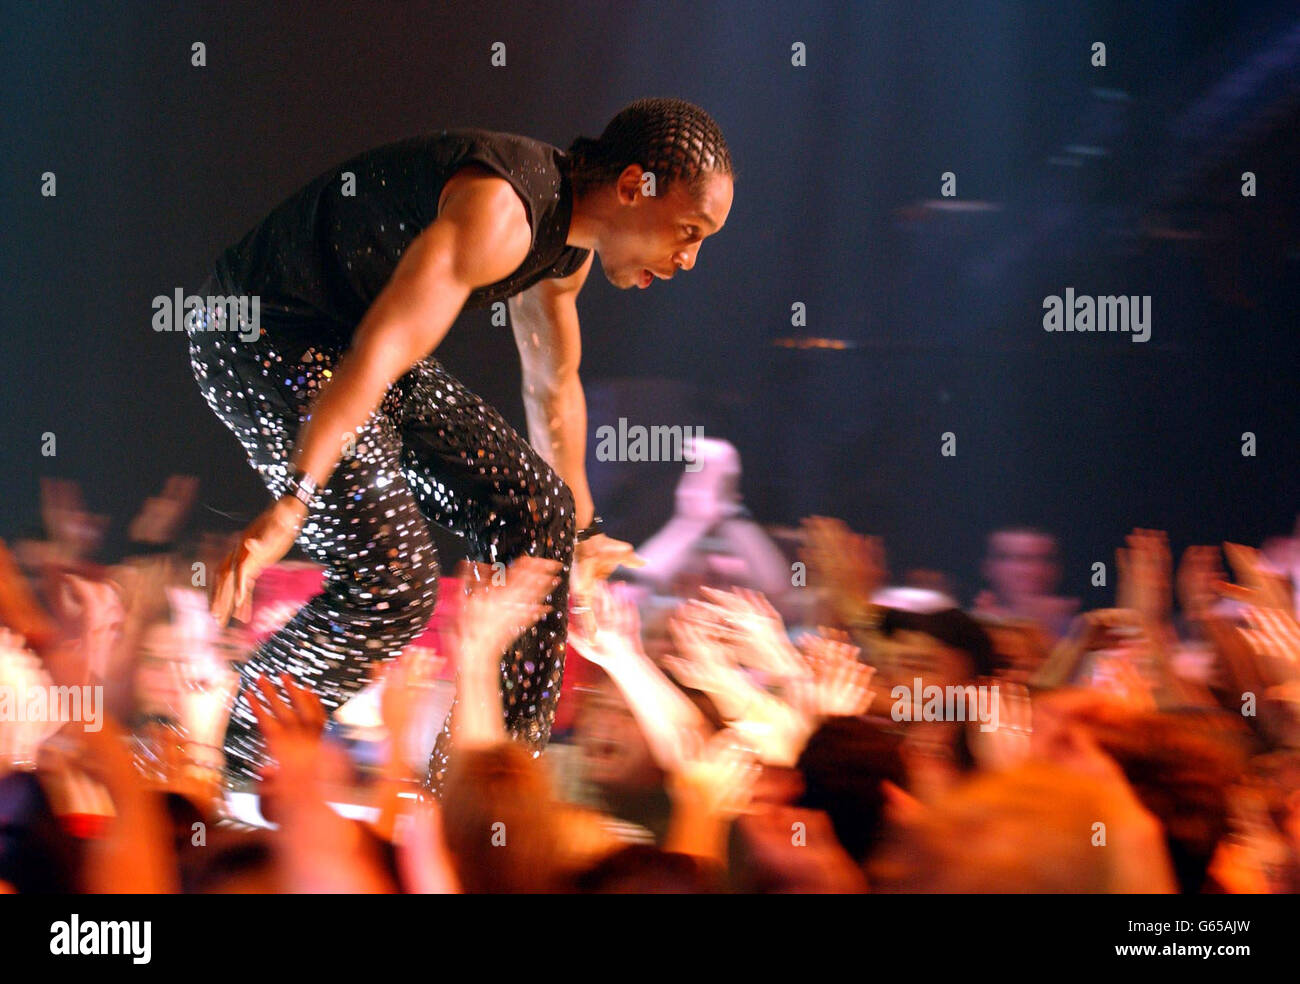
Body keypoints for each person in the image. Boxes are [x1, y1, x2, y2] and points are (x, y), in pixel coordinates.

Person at [185, 97, 735, 791]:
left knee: (541, 512)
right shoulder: (502, 210)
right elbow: (384, 348)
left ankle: (479, 806)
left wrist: (586, 534)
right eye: (689, 230)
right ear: (633, 188)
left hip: (349, 348)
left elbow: (553, 384)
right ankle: (226, 770)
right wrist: (295, 500)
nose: (689, 259)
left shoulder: (566, 250)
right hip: (261, 333)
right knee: (392, 578)